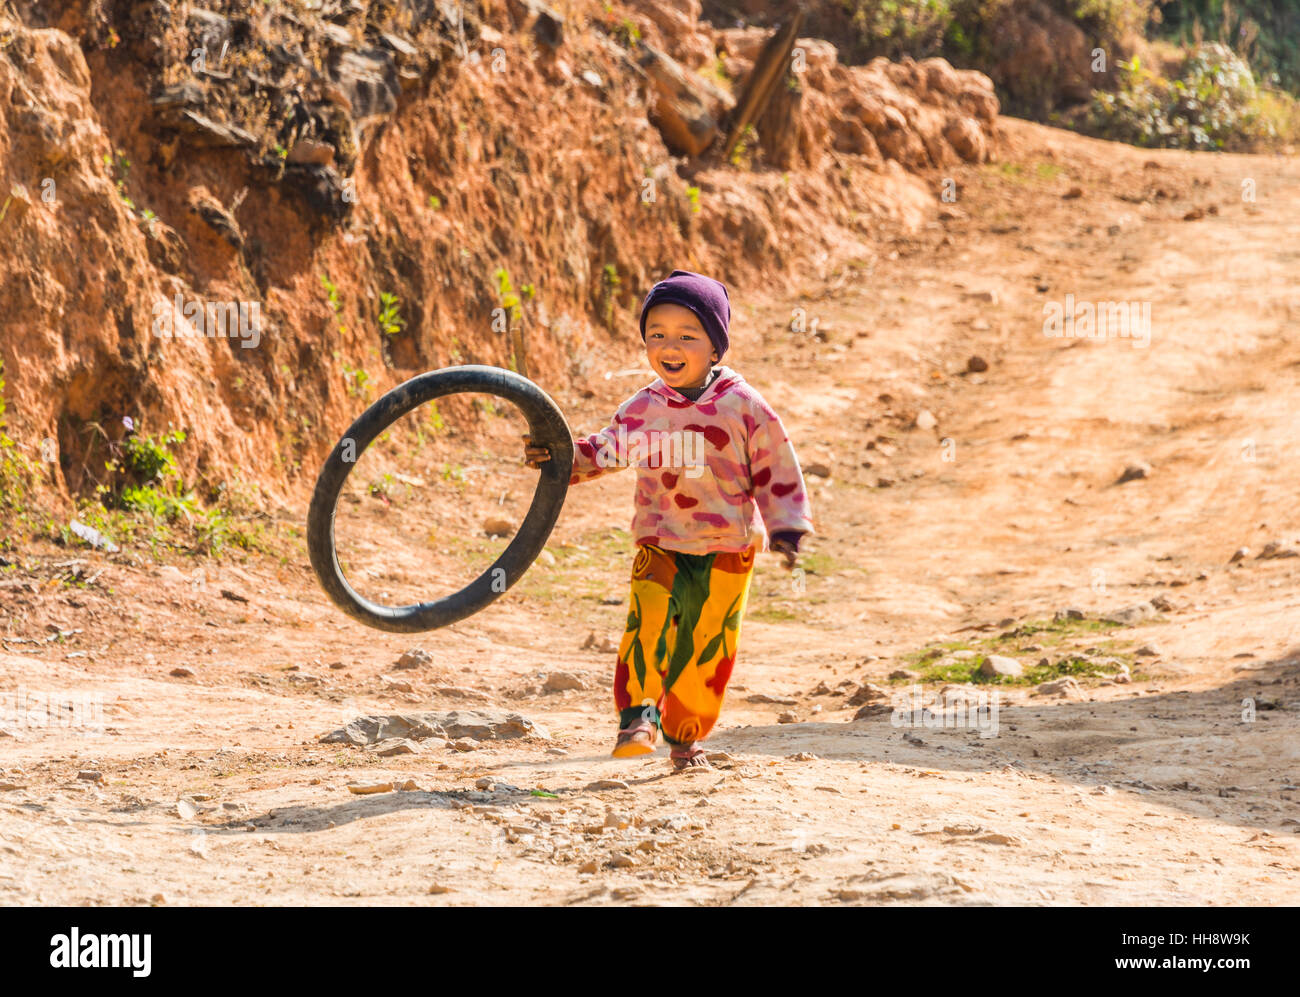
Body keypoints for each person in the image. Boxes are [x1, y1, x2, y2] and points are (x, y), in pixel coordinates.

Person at [524, 269, 813, 771]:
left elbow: (776, 465)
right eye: (656, 333)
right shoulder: (643, 408)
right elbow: (606, 450)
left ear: (716, 348)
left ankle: (684, 736)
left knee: (706, 647)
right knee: (647, 626)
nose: (669, 345)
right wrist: (559, 458)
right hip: (659, 541)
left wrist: (785, 527)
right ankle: (637, 718)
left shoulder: (745, 408)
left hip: (728, 548)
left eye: (687, 335)